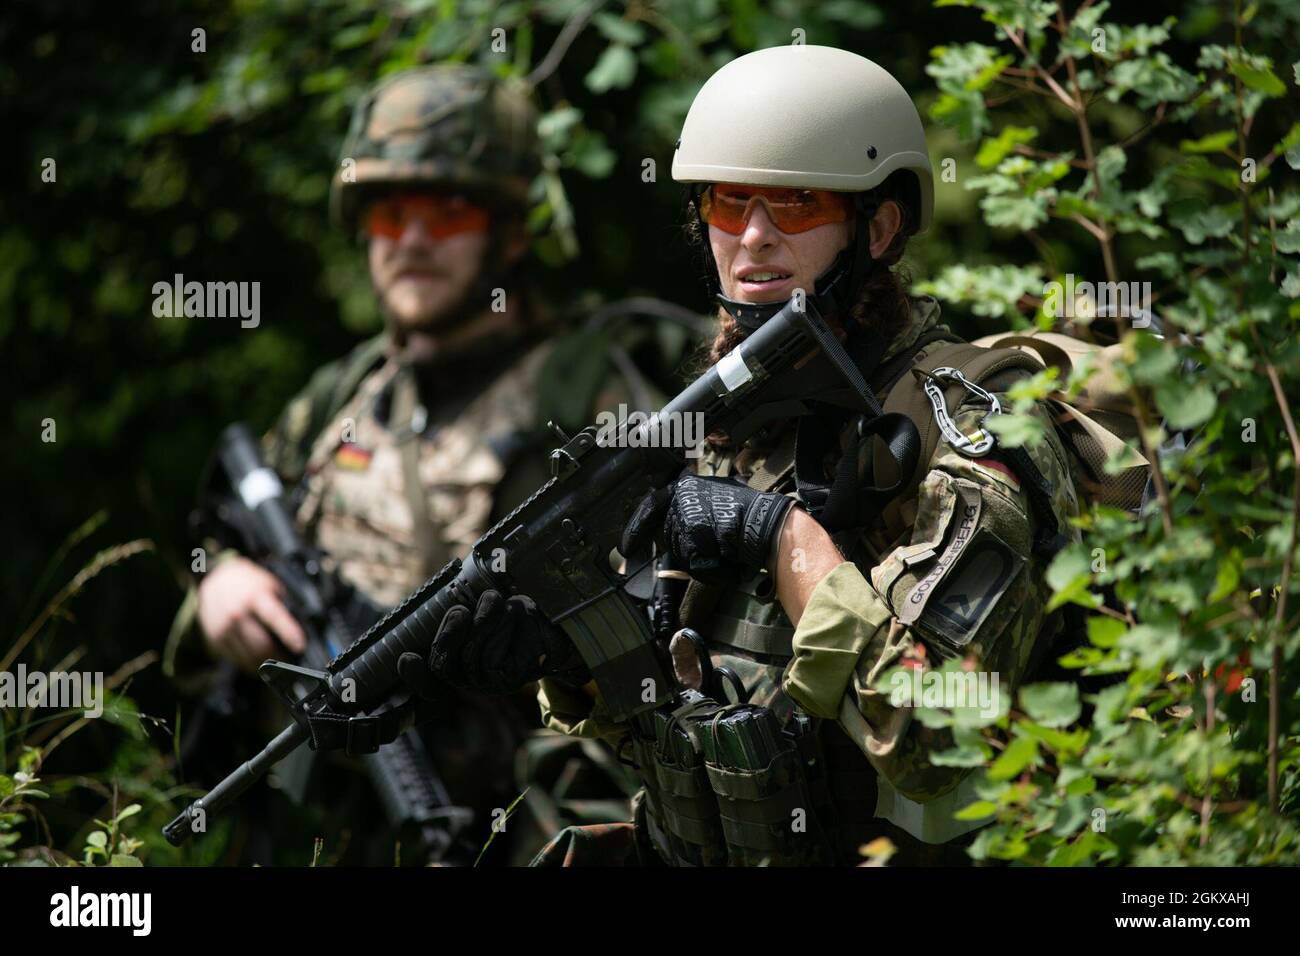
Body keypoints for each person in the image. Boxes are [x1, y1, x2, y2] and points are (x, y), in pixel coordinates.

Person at [408, 45, 1082, 866]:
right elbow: (693, 706)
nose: (754, 239)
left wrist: (785, 541)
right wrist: (571, 657)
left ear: (879, 226)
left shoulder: (974, 425)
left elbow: (941, 732)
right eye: (730, 204)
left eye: (795, 204)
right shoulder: (729, 415)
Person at [165, 63, 667, 865]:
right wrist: (218, 590)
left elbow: (657, 650)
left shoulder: (588, 400)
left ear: (510, 229)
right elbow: (235, 536)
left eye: (451, 210)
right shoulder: (343, 395)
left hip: (509, 835)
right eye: (390, 212)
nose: (414, 240)